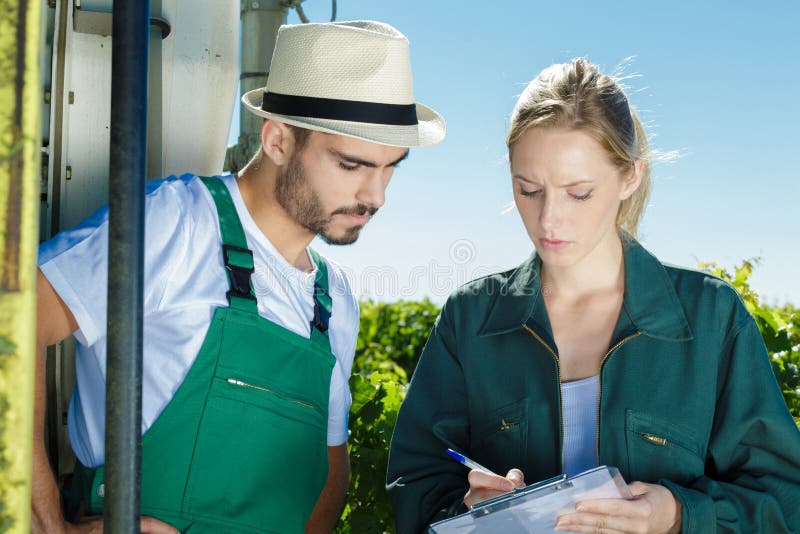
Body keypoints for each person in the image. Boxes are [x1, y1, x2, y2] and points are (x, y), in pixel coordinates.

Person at [32, 20, 445, 534]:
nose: (376, 196)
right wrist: (47, 525)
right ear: (277, 140)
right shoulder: (177, 222)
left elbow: (328, 466)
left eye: (390, 168)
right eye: (351, 165)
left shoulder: (333, 299)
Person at [386, 58, 800, 533]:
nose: (548, 221)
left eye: (578, 193)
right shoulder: (471, 317)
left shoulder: (712, 318)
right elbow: (415, 485)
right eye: (529, 190)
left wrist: (677, 514)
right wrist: (470, 511)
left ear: (630, 177)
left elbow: (784, 502)